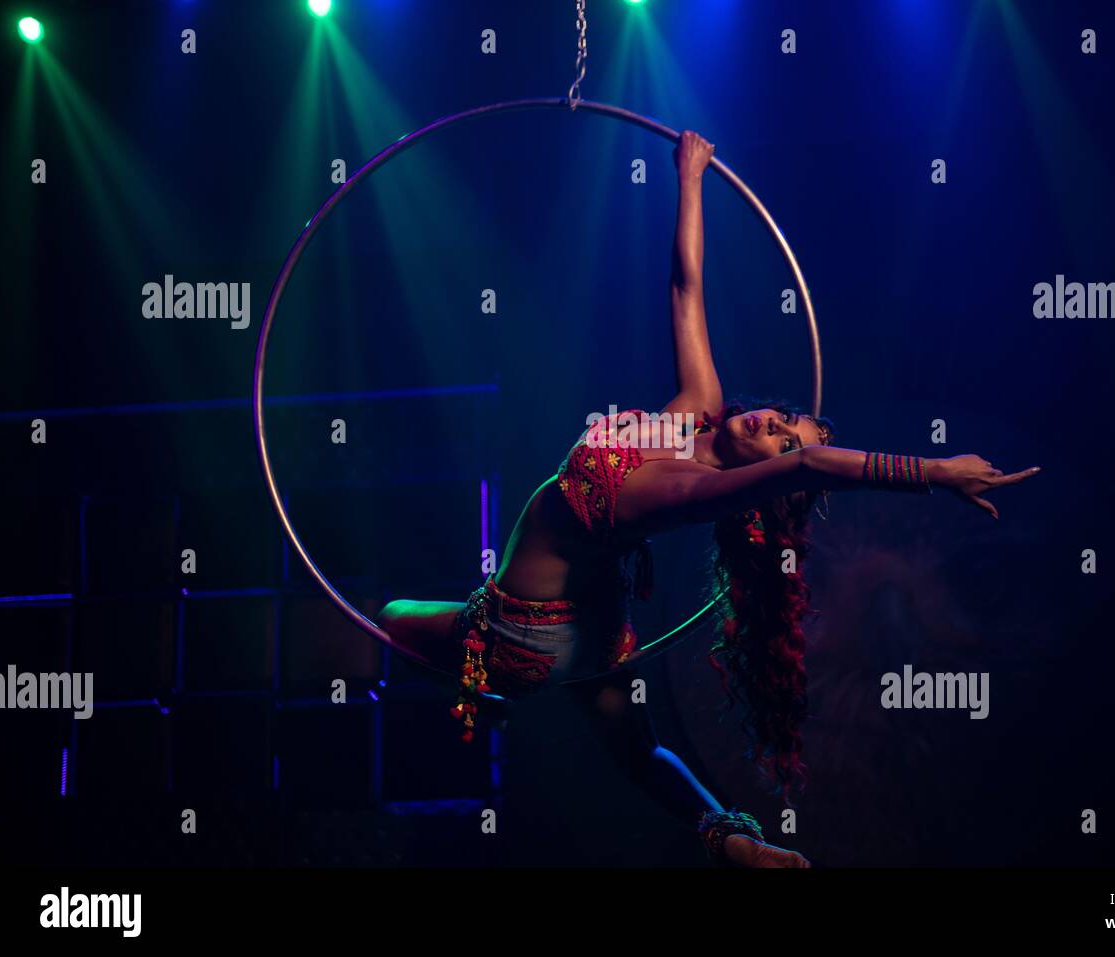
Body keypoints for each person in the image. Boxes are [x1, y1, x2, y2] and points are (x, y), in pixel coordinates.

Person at [378, 131, 1039, 867]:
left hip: (518, 630)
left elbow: (812, 465)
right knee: (641, 756)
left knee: (390, 617)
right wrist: (689, 175)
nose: (778, 428)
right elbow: (685, 287)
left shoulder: (698, 490)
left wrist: (936, 472)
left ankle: (483, 693)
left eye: (785, 441)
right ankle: (730, 838)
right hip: (598, 637)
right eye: (787, 417)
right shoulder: (696, 407)